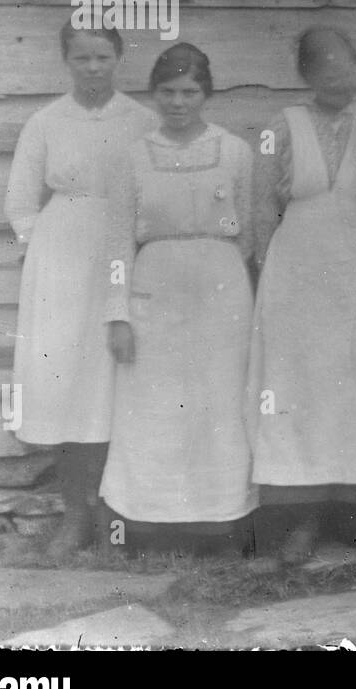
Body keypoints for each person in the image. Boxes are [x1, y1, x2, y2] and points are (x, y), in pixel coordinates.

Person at [247, 27, 356, 564]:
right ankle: (304, 520)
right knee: (302, 390)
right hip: (296, 277)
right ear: (304, 73)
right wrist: (262, 274)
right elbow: (260, 209)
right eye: (319, 64)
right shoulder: (280, 128)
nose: (332, 73)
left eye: (342, 62)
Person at [4, 22, 156, 558]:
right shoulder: (46, 122)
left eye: (102, 57)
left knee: (113, 385)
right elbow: (21, 202)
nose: (92, 67)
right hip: (61, 266)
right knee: (67, 385)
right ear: (66, 61)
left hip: (122, 260)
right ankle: (75, 516)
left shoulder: (142, 120)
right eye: (81, 58)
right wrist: (43, 247)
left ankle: (114, 517)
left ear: (118, 58)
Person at [100, 43, 258, 542]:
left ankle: (223, 519)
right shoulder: (131, 157)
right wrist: (118, 315)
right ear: (153, 95)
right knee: (155, 405)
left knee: (220, 403)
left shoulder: (234, 150)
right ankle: (149, 520)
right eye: (167, 92)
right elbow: (117, 242)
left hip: (221, 293)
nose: (178, 102)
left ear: (206, 94)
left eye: (190, 91)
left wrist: (222, 271)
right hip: (155, 292)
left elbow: (249, 230)